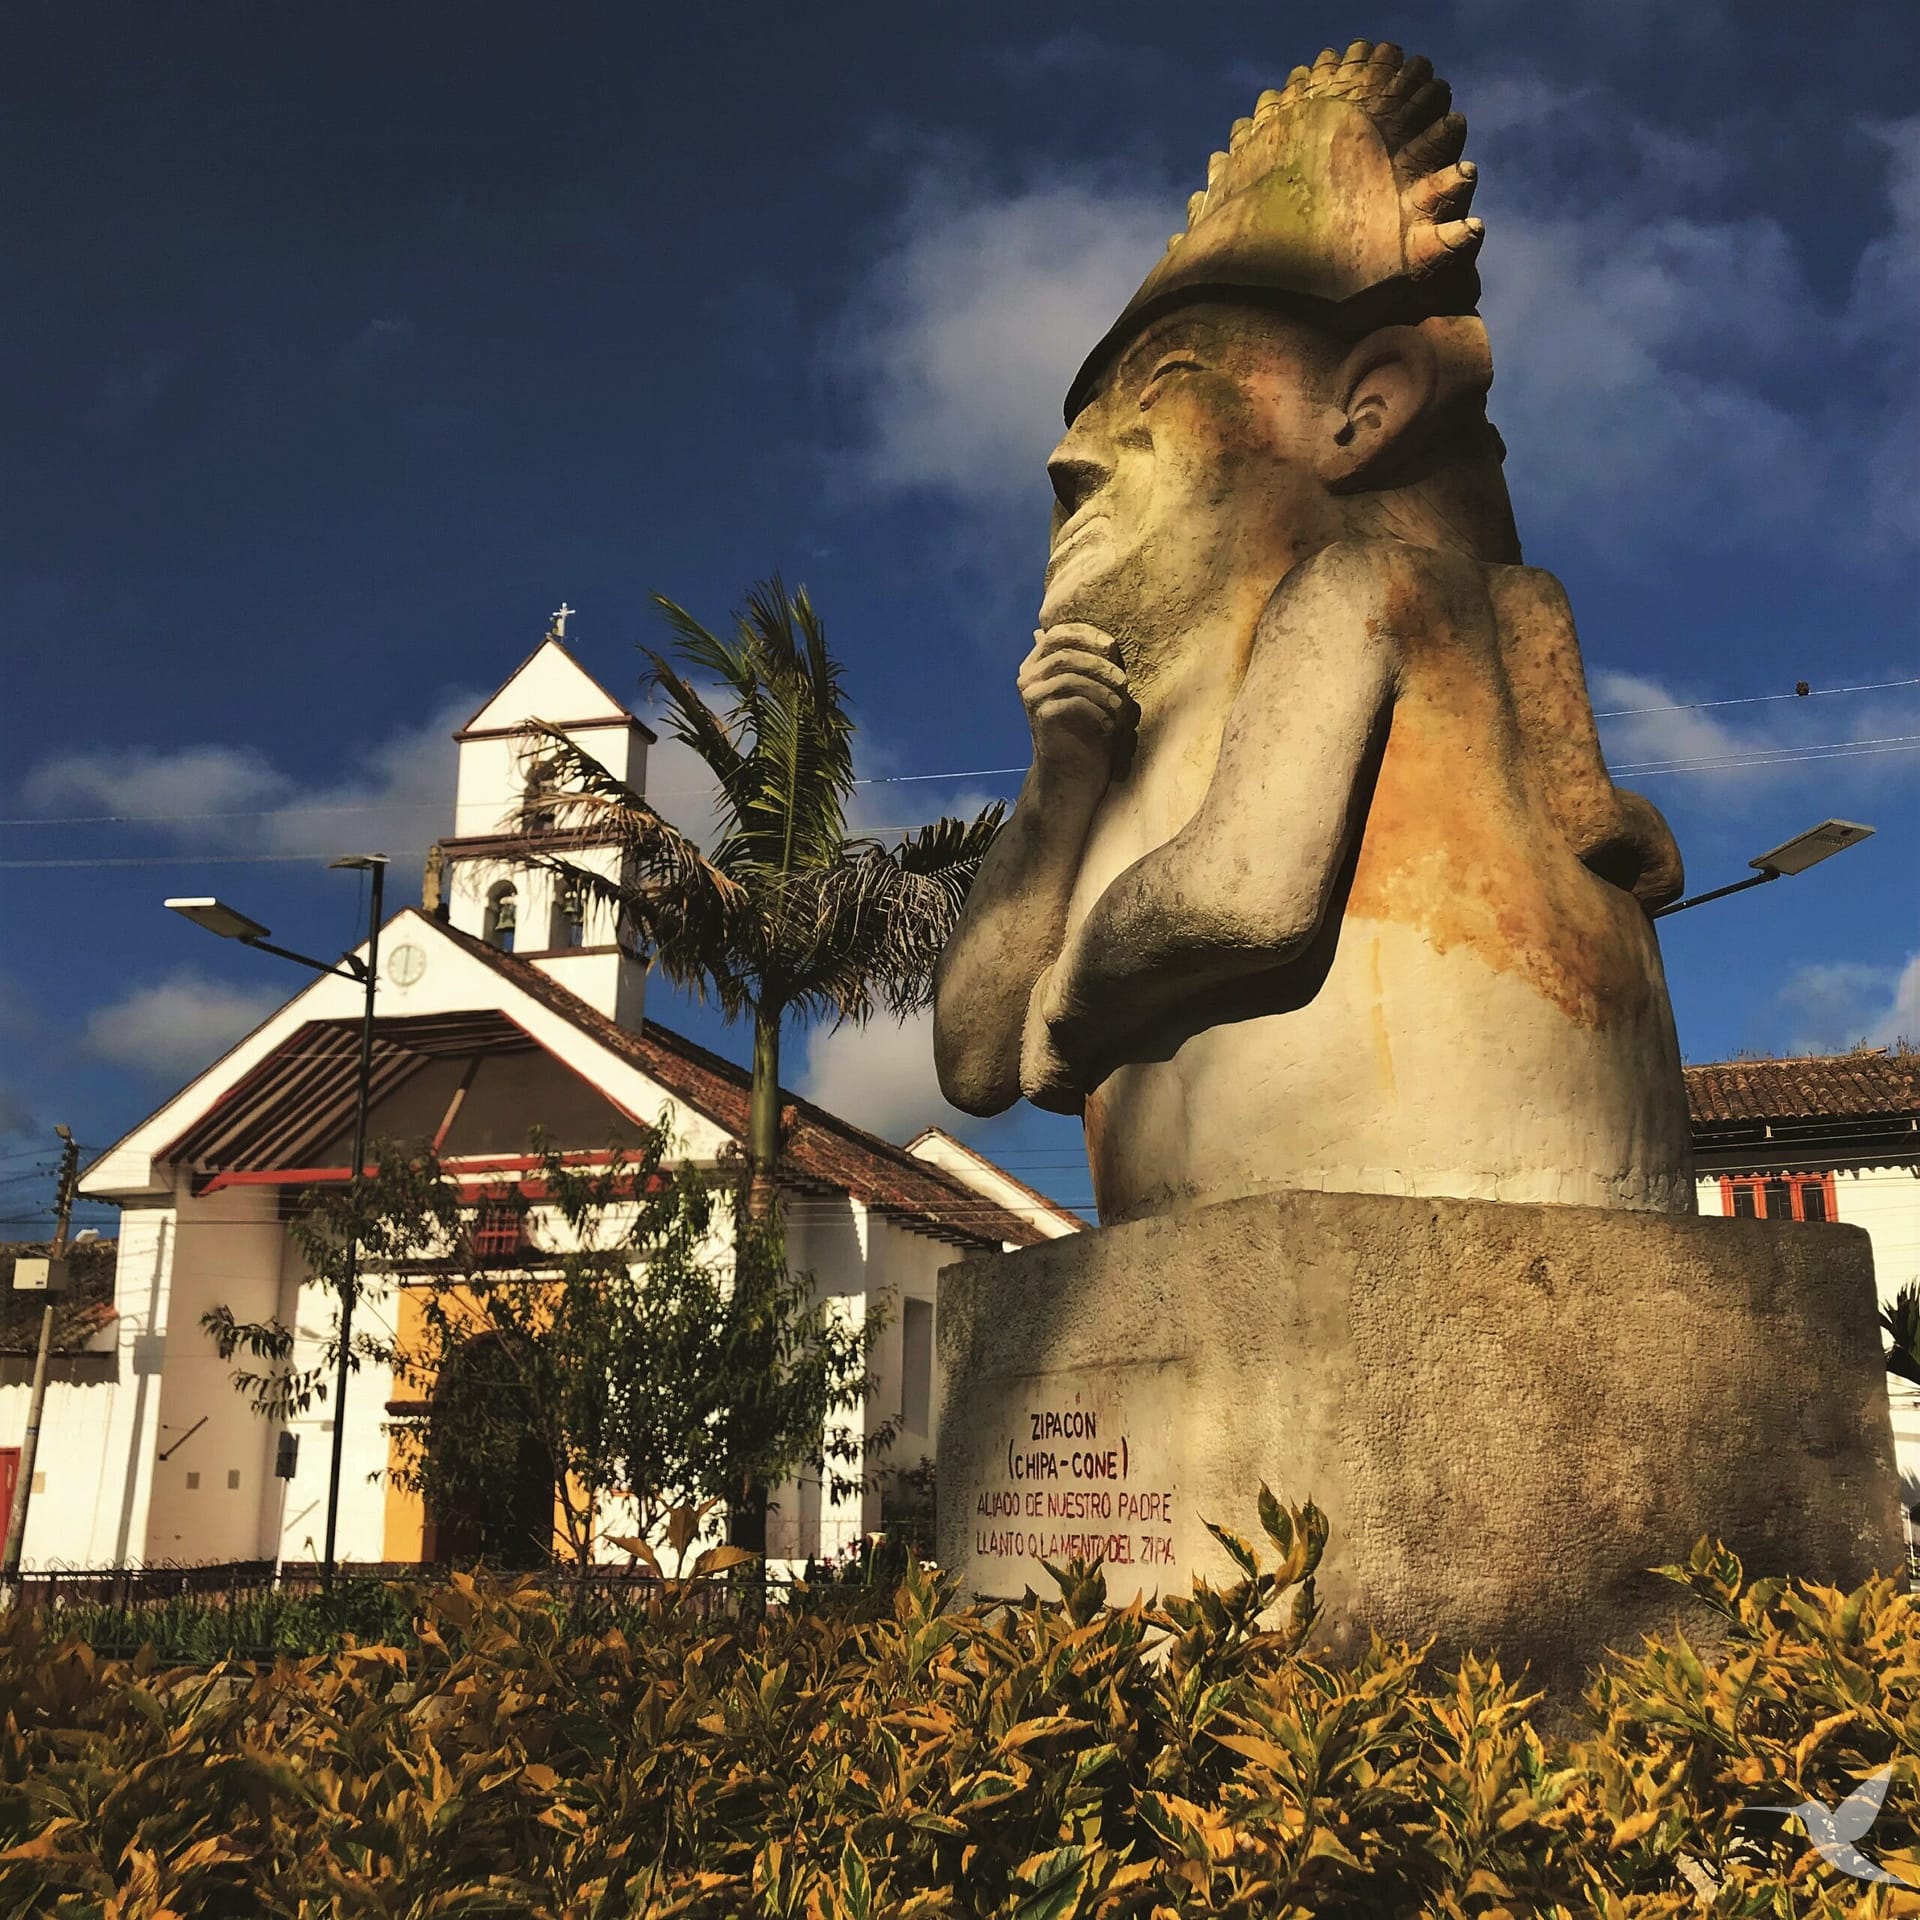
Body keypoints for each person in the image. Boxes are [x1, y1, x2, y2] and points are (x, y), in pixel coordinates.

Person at [934, 42, 1693, 1224]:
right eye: (1082, 421)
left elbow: (1248, 894)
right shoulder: (1123, 744)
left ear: (1366, 408)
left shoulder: (1366, 589)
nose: (1068, 460)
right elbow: (971, 1064)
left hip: (1434, 1232)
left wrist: (1066, 1004)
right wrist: (1059, 785)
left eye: (1160, 385)